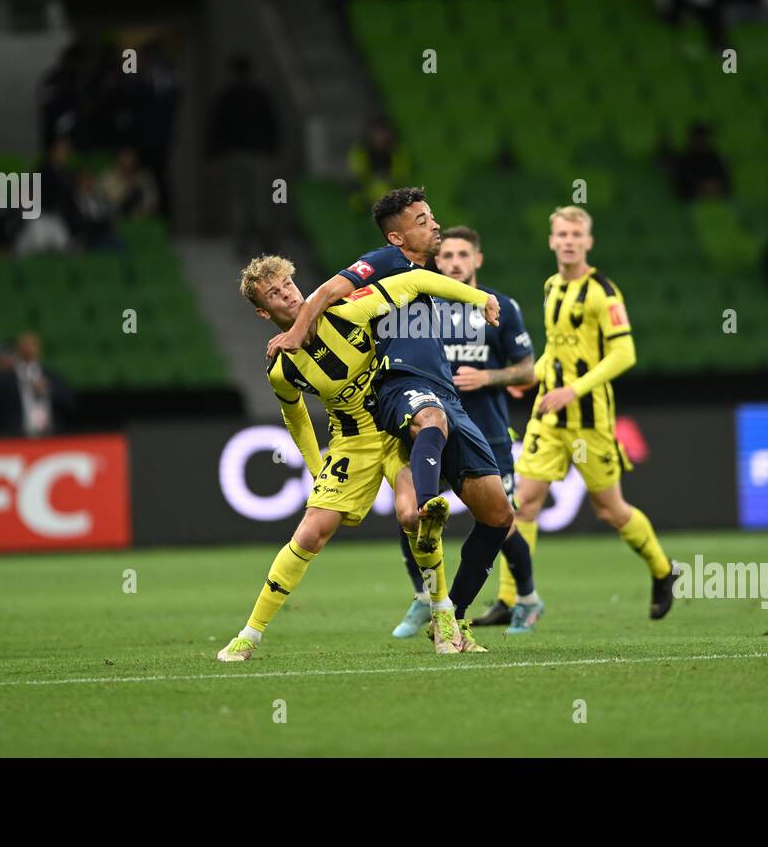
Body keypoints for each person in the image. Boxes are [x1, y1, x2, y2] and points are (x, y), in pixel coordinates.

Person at [267, 188, 529, 652]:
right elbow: (327, 293)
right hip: (398, 387)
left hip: (445, 395)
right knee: (425, 434)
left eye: (432, 215)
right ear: (396, 235)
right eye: (422, 219)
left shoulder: (419, 276)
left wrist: (479, 299)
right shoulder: (384, 262)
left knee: (498, 516)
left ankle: (452, 619)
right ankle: (430, 514)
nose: (434, 224)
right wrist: (296, 330)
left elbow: (433, 289)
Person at [218, 257, 499, 662]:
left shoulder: (350, 308)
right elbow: (294, 416)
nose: (288, 295)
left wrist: (480, 298)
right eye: (274, 294)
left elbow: (417, 278)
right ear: (263, 312)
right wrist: (317, 469)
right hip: (351, 443)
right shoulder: (281, 368)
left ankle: (444, 618)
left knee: (411, 516)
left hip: (395, 423)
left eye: (288, 285)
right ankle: (249, 635)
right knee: (310, 533)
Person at [509, 207, 677, 622]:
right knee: (523, 505)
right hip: (549, 417)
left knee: (610, 511)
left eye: (576, 234)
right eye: (561, 234)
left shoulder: (603, 291)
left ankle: (662, 569)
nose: (568, 241)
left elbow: (625, 353)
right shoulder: (550, 287)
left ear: (588, 242)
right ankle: (514, 600)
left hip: (588, 423)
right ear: (551, 241)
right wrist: (534, 375)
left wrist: (574, 389)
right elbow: (557, 349)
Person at [391, 227, 541, 637]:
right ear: (437, 262)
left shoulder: (501, 307)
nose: (454, 261)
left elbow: (528, 368)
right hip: (433, 430)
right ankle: (426, 598)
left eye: (463, 255)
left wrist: (489, 376)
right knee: (411, 511)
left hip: (488, 432)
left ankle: (526, 599)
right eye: (448, 255)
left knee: (501, 522)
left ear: (477, 260)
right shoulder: (423, 307)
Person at [207, 56, 280, 250]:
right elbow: (272, 126)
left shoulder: (227, 97)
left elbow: (217, 128)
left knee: (239, 200)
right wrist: (272, 152)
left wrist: (214, 156)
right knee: (260, 198)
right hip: (257, 155)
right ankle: (264, 238)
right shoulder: (259, 95)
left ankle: (242, 240)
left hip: (235, 155)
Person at [674, 122, 731, 201]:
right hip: (691, 205)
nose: (700, 142)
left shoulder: (715, 158)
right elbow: (680, 189)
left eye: (702, 138)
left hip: (717, 204)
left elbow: (726, 185)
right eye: (697, 139)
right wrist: (700, 188)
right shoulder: (684, 161)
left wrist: (715, 187)